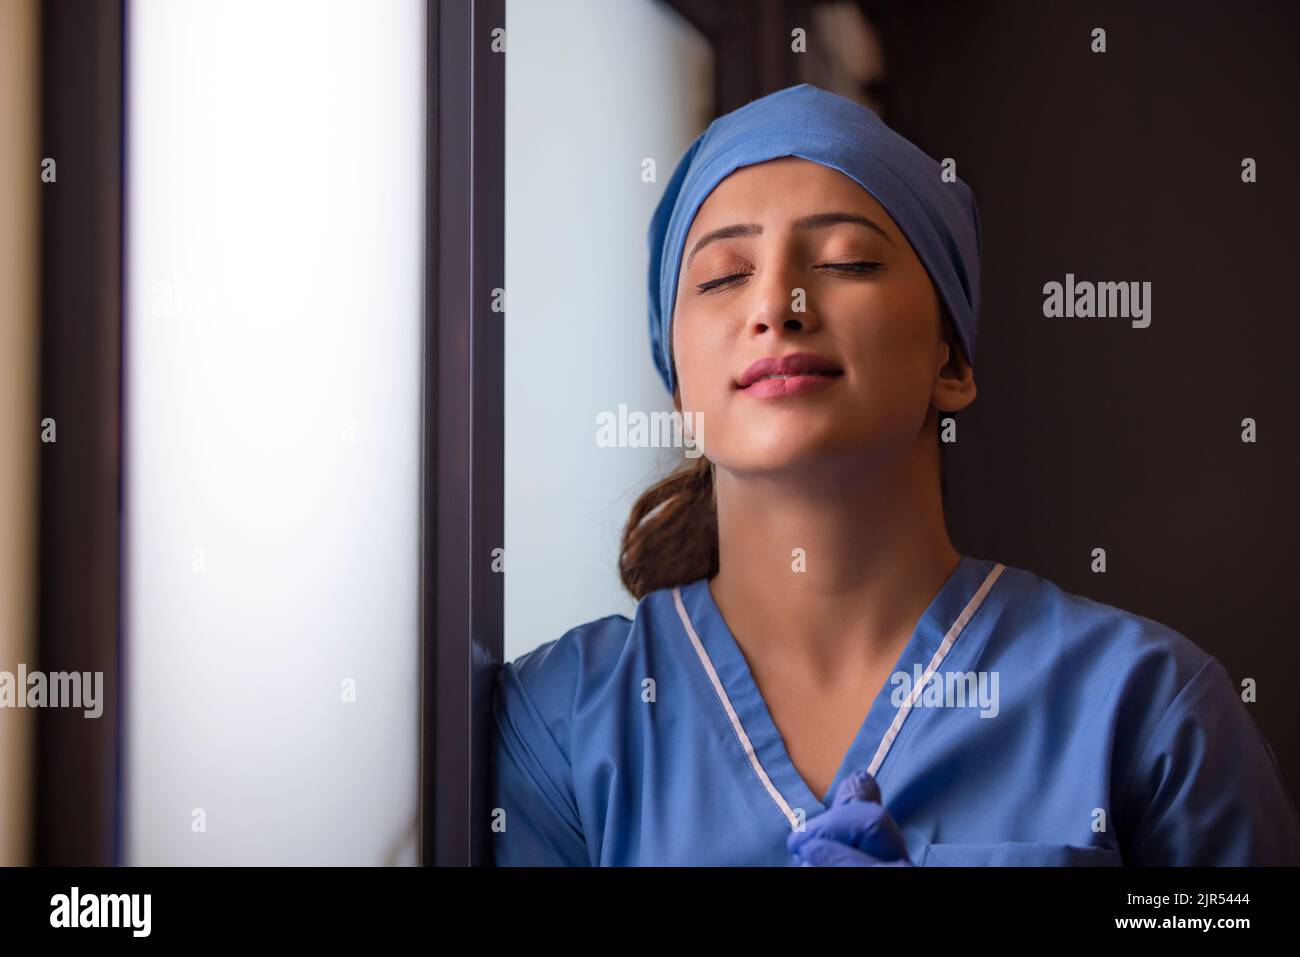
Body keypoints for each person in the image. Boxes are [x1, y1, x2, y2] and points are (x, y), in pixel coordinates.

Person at [489, 83, 1300, 866]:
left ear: (950, 360)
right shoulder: (558, 724)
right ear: (680, 386)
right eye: (723, 277)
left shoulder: (1151, 710)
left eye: (846, 262)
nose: (778, 301)